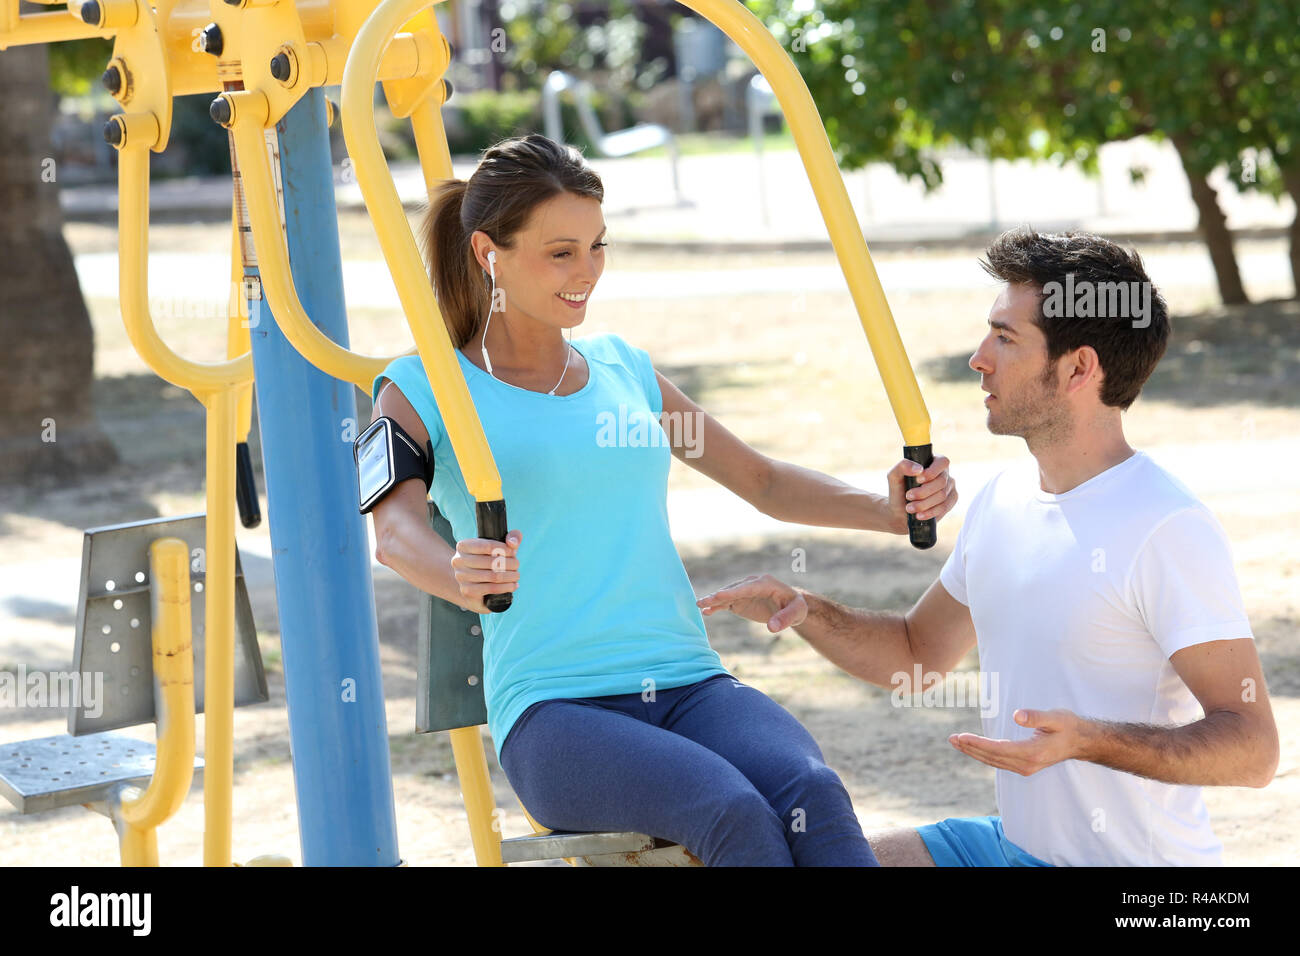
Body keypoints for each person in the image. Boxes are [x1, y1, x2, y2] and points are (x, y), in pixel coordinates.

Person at [364, 133, 958, 866]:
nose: (587, 273)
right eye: (561, 253)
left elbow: (762, 481)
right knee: (732, 812)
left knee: (812, 794)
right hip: (557, 712)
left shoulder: (625, 373)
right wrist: (460, 571)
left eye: (597, 247)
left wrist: (885, 509)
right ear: (490, 253)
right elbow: (393, 534)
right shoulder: (421, 386)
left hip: (687, 682)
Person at [698, 227, 1280, 867]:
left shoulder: (1167, 526)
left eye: (1006, 339)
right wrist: (806, 608)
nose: (979, 358)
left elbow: (1253, 750)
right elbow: (916, 655)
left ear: (1079, 367)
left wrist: (1089, 740)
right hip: (1012, 847)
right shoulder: (1002, 498)